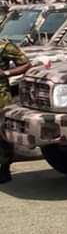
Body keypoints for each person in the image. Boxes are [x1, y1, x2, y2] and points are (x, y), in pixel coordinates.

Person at [0, 39, 30, 183]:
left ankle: (3, 168)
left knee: (1, 136)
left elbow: (25, 64)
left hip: (1, 98)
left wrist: (6, 73)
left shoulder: (4, 46)